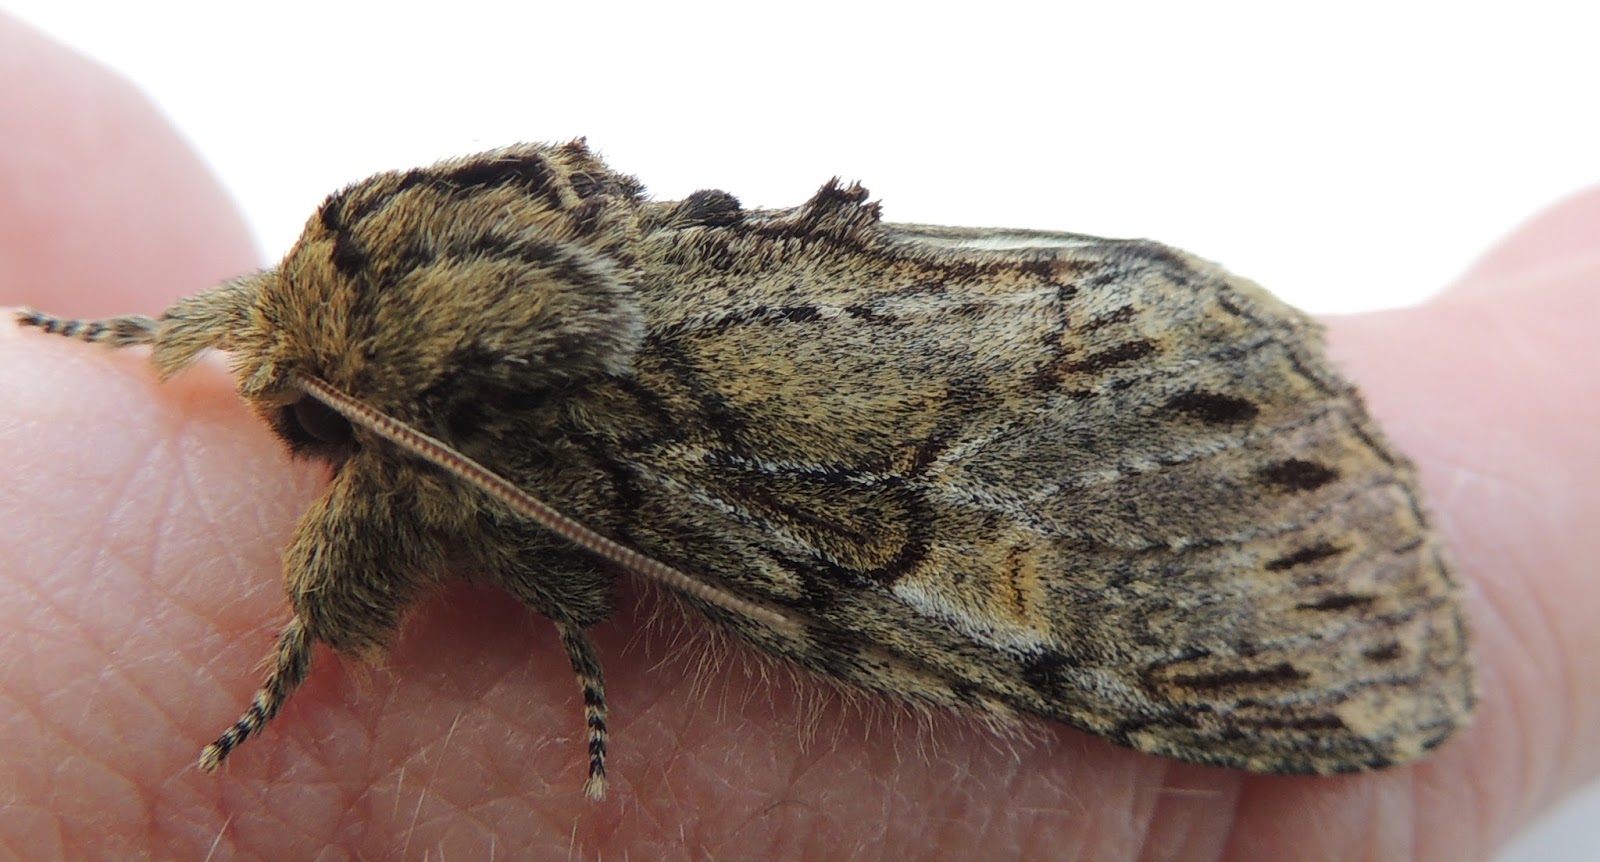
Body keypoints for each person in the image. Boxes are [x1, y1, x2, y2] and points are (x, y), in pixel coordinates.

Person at [1, 14, 1595, 860]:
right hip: (1030, 308)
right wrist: (161, 334)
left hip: (1063, 487)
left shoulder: (501, 430)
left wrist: (308, 659)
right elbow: (298, 340)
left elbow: (512, 550)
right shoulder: (352, 315)